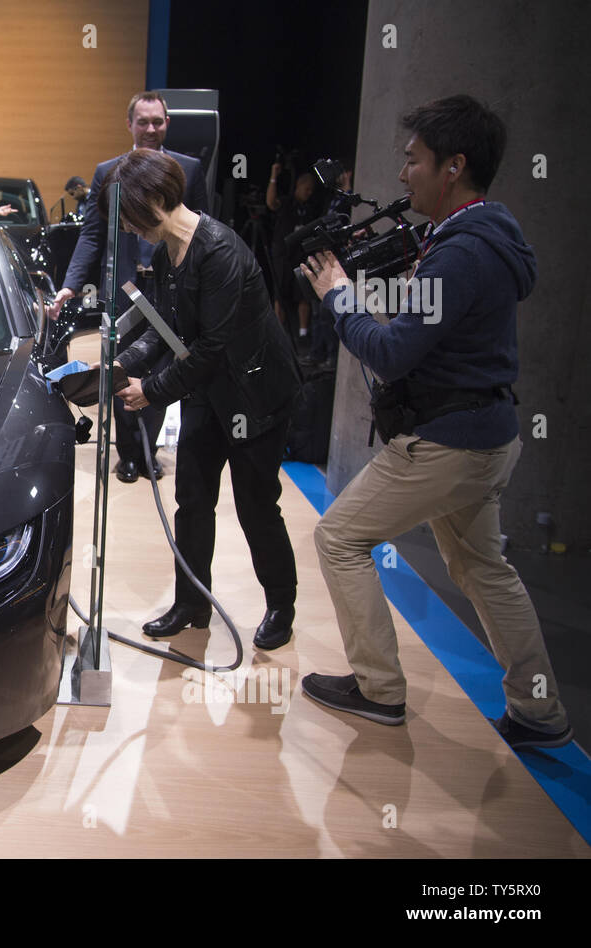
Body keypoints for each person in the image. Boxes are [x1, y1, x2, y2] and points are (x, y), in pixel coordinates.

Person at [300, 95, 572, 749]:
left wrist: (340, 297)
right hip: (487, 435)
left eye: (413, 160)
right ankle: (541, 713)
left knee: (338, 539)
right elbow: (432, 325)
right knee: (483, 567)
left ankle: (379, 690)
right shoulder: (489, 237)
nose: (403, 174)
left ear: (454, 167)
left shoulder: (458, 255)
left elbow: (392, 352)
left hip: (447, 444)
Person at [111, 149, 301, 649]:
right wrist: (121, 366)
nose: (129, 227)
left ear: (155, 199)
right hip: (208, 391)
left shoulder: (219, 251)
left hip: (254, 394)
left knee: (257, 505)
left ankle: (281, 605)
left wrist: (149, 391)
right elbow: (165, 328)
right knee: (192, 499)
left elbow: (211, 349)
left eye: (131, 215)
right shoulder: (163, 253)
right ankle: (192, 601)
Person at [49, 91, 209, 484]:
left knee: (162, 368)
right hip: (123, 290)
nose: (151, 128)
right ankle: (128, 455)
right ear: (130, 124)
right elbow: (92, 234)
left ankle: (148, 449)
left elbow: (203, 227)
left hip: (169, 290)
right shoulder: (108, 171)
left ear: (167, 123)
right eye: (144, 122)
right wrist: (71, 285)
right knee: (120, 368)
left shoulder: (189, 169)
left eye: (158, 121)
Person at [267, 163, 322, 349]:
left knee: (303, 294)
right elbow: (271, 203)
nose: (308, 193)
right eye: (306, 189)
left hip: (301, 254)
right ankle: (278, 333)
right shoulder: (287, 202)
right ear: (299, 186)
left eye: (311, 191)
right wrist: (274, 176)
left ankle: (303, 333)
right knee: (280, 295)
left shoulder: (311, 208)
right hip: (283, 254)